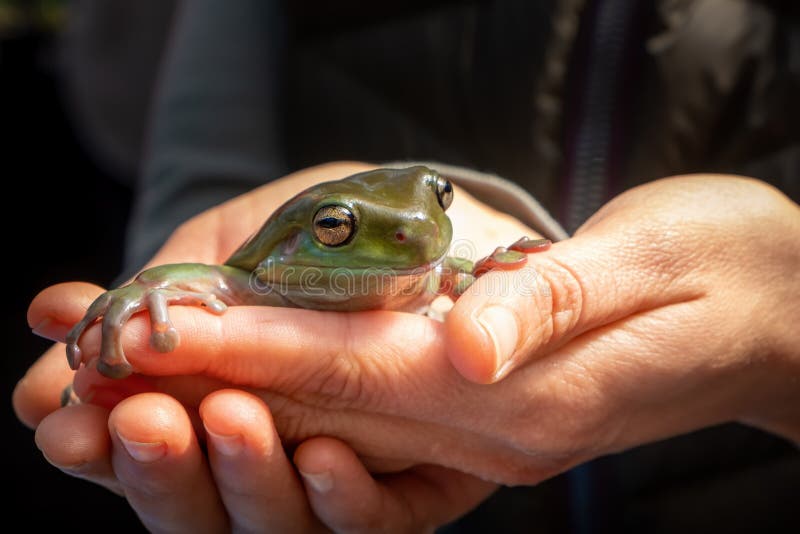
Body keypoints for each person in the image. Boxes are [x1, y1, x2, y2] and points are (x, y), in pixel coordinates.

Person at [14, 1, 800, 532]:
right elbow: (201, 254)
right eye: (335, 229)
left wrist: (778, 336)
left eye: (441, 200)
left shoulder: (428, 259)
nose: (422, 236)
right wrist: (146, 286)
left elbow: (450, 264)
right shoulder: (256, 278)